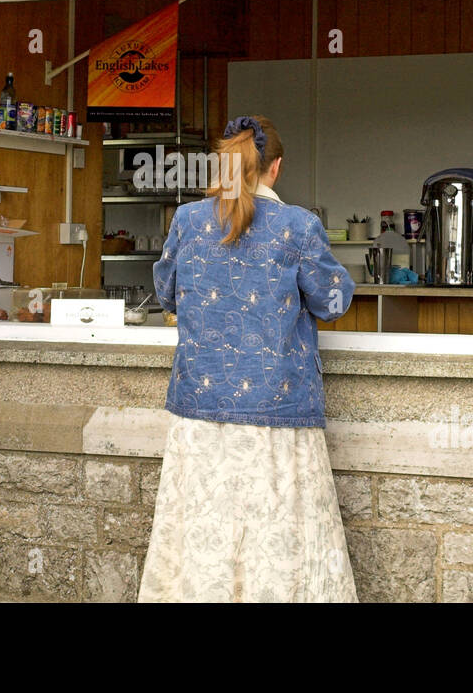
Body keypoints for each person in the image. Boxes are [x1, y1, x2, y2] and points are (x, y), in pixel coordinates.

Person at [137, 115, 358, 603]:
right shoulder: (298, 226)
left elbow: (165, 292)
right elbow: (333, 302)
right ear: (275, 168)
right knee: (278, 537)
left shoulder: (189, 221)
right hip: (277, 416)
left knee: (200, 533)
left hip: (200, 412)